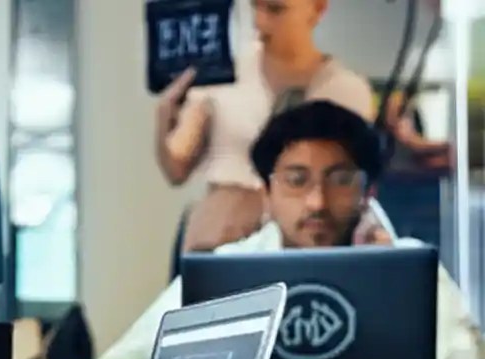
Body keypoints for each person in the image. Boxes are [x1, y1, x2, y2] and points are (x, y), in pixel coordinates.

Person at [87, 100, 485, 359]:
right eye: (296, 180)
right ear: (266, 191)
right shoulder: (228, 270)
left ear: (369, 191)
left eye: (340, 180)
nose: (317, 202)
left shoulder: (409, 270)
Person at [158, 0, 377, 253]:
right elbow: (176, 167)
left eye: (275, 9)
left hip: (312, 239)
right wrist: (165, 117)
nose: (259, 22)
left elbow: (357, 175)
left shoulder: (347, 89)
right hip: (221, 233)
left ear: (318, 8)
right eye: (255, 7)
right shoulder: (222, 75)